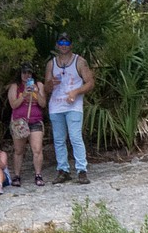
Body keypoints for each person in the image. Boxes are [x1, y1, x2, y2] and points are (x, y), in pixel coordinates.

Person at [44, 34, 95, 185]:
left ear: (71, 45)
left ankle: (81, 170)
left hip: (73, 105)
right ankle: (63, 170)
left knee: (75, 137)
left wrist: (76, 92)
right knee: (59, 139)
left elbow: (90, 82)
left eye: (66, 42)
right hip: (56, 105)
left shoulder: (80, 62)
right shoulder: (51, 64)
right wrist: (50, 83)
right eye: (61, 42)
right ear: (57, 45)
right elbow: (46, 88)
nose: (63, 45)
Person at [7, 62, 48, 187]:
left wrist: (36, 93)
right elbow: (13, 104)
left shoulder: (38, 85)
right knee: (19, 150)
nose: (26, 75)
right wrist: (24, 94)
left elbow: (43, 104)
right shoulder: (15, 87)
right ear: (20, 74)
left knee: (37, 149)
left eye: (29, 72)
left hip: (35, 120)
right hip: (20, 121)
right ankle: (17, 175)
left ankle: (38, 174)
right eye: (24, 73)